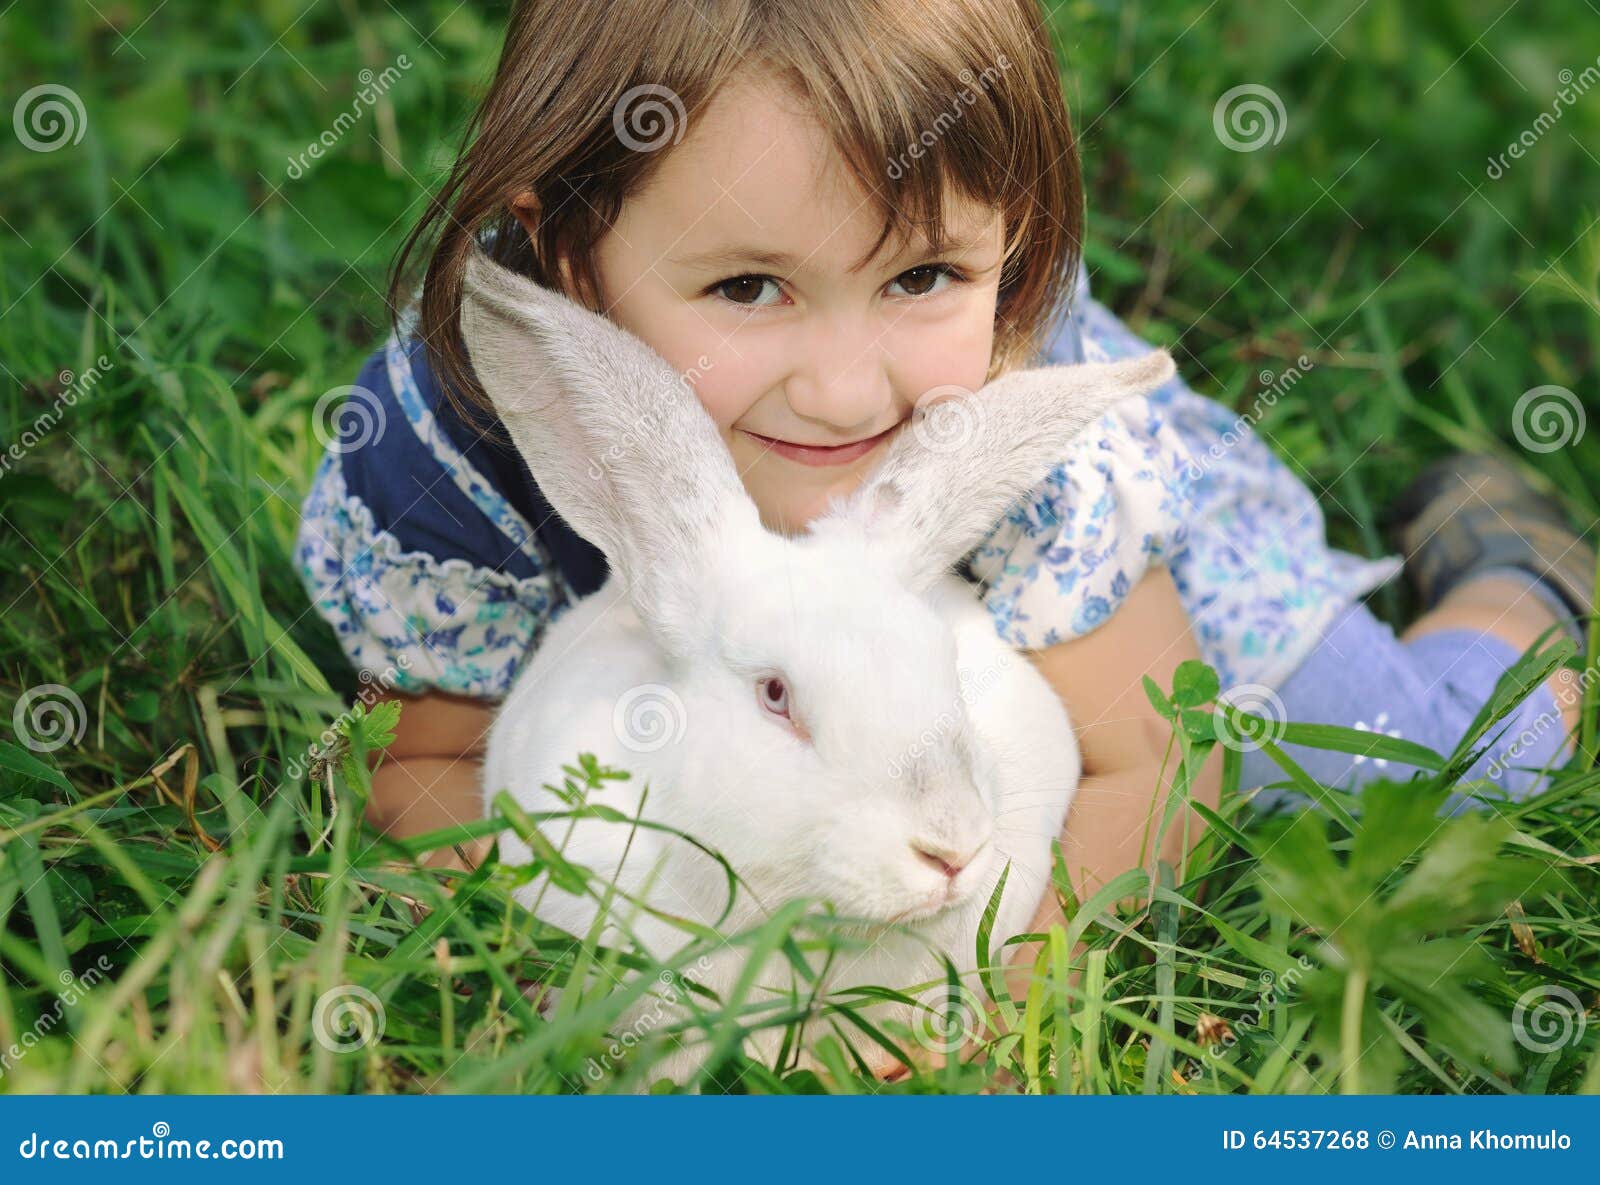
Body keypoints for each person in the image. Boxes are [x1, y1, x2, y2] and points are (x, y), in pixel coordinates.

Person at [296, 0, 1592, 913]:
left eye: (924, 272)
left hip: (1124, 520)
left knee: (1416, 769)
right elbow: (425, 763)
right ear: (571, 254)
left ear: (1013, 245)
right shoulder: (453, 442)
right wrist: (596, 963)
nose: (850, 387)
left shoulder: (999, 428)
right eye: (749, 288)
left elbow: (1164, 760)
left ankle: (1517, 571)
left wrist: (1004, 987)